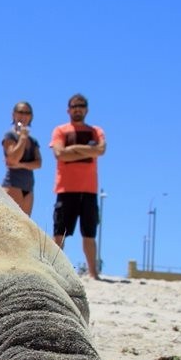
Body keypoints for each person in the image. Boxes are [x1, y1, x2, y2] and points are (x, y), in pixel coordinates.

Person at [50, 93, 106, 278]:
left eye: (81, 105)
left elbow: (101, 149)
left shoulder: (95, 131)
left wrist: (72, 150)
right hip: (66, 189)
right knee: (59, 233)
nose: (78, 109)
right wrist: (88, 151)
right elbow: (60, 154)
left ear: (86, 109)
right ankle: (54, 270)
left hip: (89, 190)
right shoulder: (60, 130)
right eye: (74, 106)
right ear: (68, 110)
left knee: (89, 234)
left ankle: (93, 273)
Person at [0, 101, 42, 216]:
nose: (24, 115)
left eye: (27, 113)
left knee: (24, 227)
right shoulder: (10, 136)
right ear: (14, 114)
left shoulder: (33, 141)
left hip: (28, 188)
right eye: (20, 112)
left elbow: (38, 163)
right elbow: (13, 158)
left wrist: (21, 165)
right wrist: (22, 138)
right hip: (13, 185)